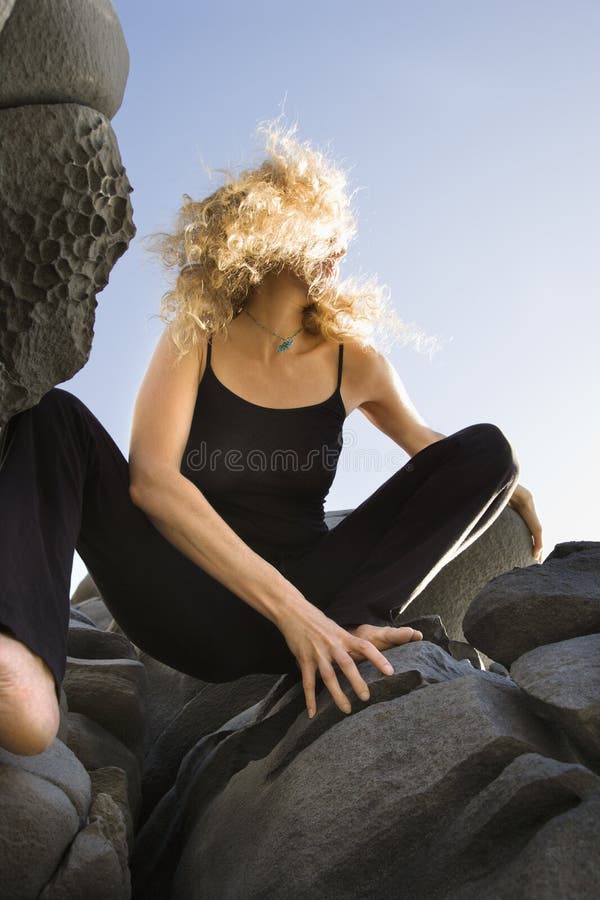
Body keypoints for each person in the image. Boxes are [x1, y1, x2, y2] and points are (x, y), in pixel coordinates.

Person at [0, 122, 542, 757]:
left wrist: (510, 481)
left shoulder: (354, 359)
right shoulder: (195, 333)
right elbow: (152, 480)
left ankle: (355, 622)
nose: (341, 254)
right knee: (54, 416)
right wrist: (292, 612)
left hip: (320, 592)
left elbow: (433, 449)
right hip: (186, 597)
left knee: (489, 447)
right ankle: (22, 660)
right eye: (330, 233)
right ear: (277, 225)